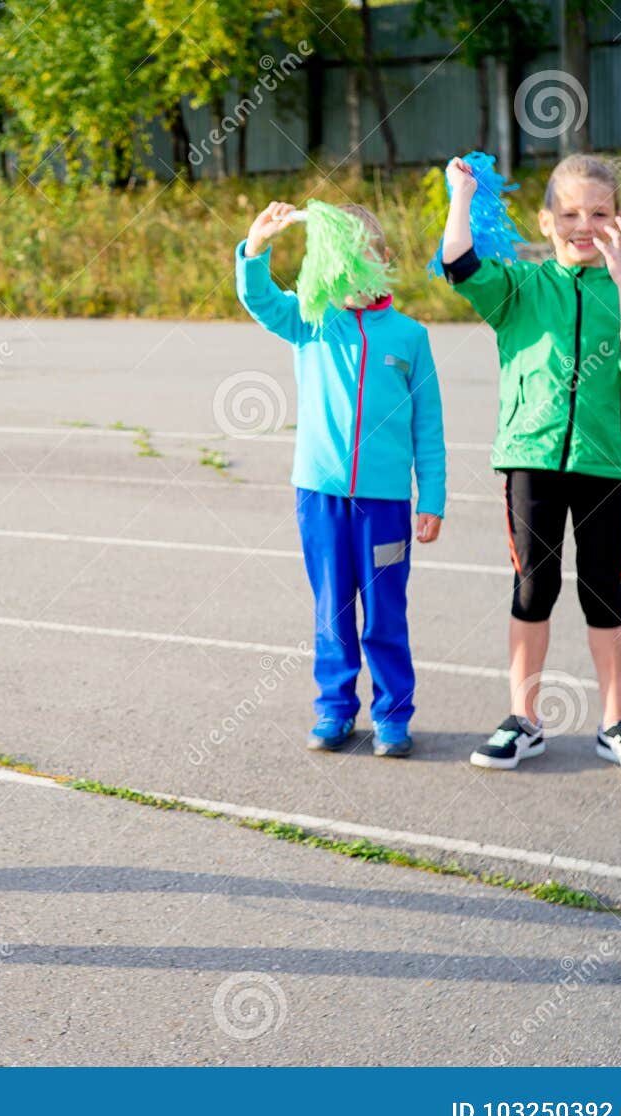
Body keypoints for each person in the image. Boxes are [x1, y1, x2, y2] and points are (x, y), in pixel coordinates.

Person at [438, 152, 621, 776]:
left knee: (603, 589)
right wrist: (461, 194)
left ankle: (616, 723)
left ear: (620, 221)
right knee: (533, 585)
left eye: (599, 212)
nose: (583, 224)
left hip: (602, 463)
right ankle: (523, 720)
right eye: (568, 213)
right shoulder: (520, 286)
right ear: (545, 222)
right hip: (529, 460)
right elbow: (458, 262)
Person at [236, 200, 446, 757]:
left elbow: (428, 426)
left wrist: (434, 497)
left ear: (383, 261)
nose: (350, 273)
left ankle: (393, 715)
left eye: (362, 258)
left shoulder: (409, 337)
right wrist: (257, 247)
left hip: (385, 504)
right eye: (339, 261)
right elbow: (258, 299)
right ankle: (334, 709)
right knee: (331, 607)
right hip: (319, 495)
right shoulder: (311, 321)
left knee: (384, 611)